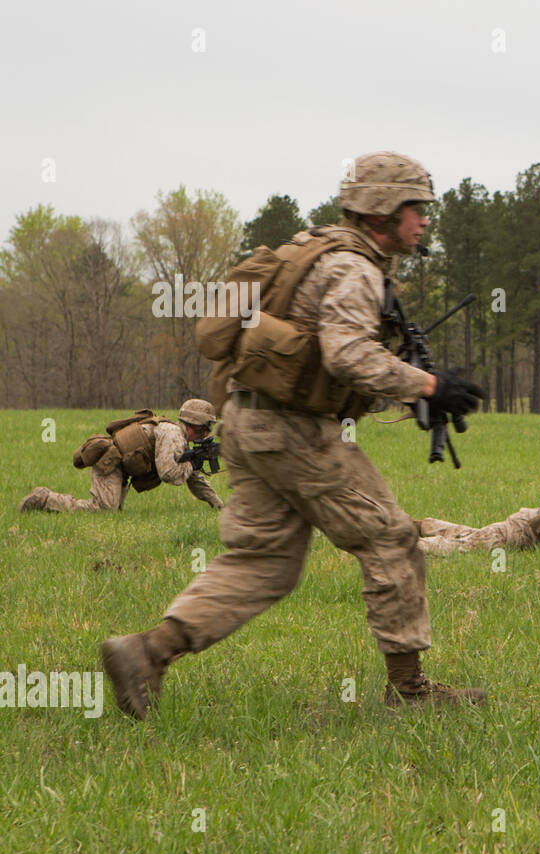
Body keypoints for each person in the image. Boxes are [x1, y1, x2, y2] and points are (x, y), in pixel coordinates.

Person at [99, 150, 486, 719]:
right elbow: (347, 352)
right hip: (295, 433)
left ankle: (146, 653)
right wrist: (427, 386)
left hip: (248, 422)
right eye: (415, 208)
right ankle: (409, 694)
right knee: (390, 538)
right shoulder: (354, 269)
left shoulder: (315, 247)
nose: (425, 220)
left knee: (264, 561)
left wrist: (402, 392)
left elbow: (320, 355)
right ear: (382, 208)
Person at [20, 400, 224, 513]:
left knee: (113, 514)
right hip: (110, 462)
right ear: (194, 425)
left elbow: (193, 477)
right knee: (103, 510)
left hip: (123, 468)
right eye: (206, 427)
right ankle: (45, 499)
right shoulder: (172, 435)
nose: (207, 433)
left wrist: (218, 505)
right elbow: (168, 473)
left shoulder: (180, 440)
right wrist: (191, 464)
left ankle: (47, 501)